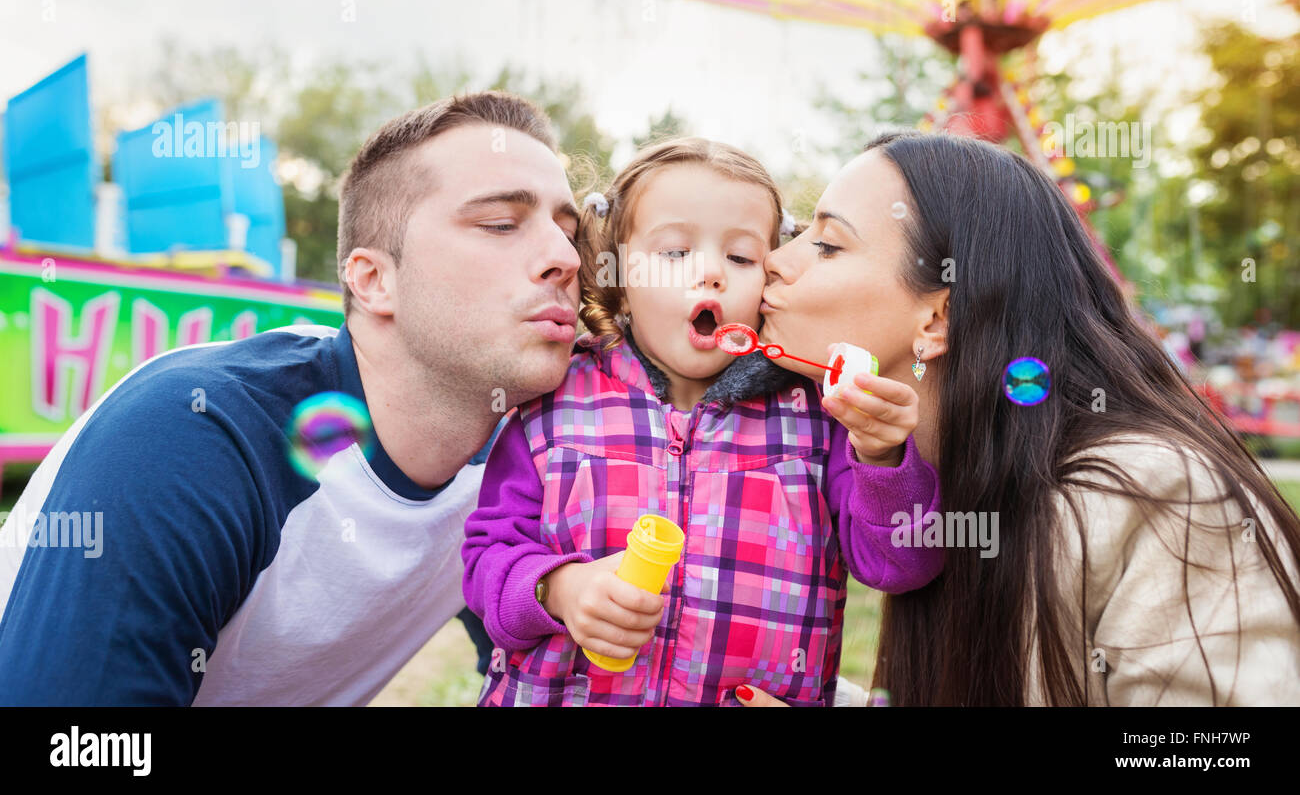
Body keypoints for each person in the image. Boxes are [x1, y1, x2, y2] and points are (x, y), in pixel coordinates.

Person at [0, 91, 581, 705]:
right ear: (373, 279)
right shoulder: (191, 441)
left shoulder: (527, 462)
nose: (566, 259)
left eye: (570, 232)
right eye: (500, 224)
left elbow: (539, 665)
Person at [738, 130, 1300, 706]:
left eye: (826, 244)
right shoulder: (941, 491)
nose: (774, 261)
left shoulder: (1157, 498)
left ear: (938, 317)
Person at [462, 136, 944, 707]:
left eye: (741, 258)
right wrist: (560, 589)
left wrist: (884, 458)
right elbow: (487, 562)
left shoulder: (817, 419)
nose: (712, 273)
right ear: (621, 280)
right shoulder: (553, 402)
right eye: (674, 252)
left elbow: (899, 563)